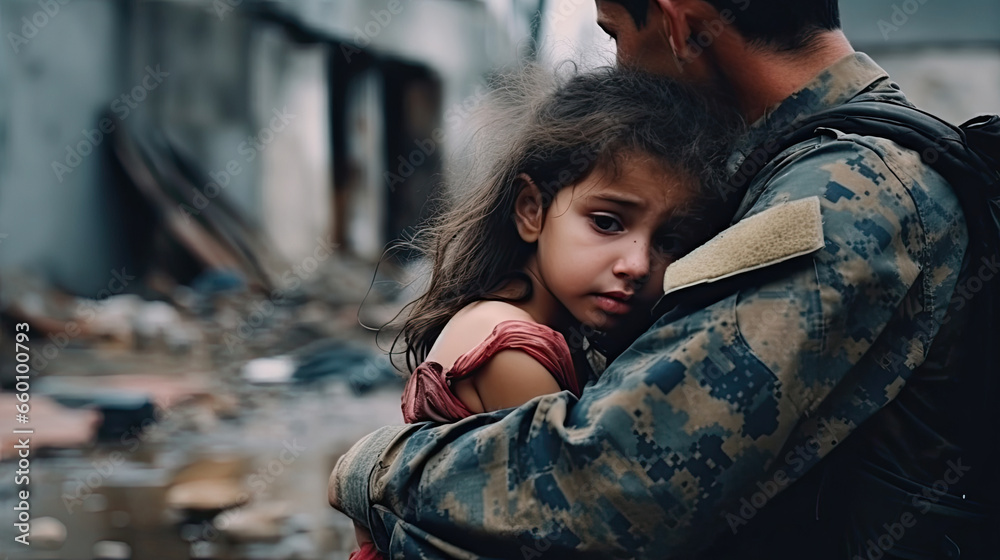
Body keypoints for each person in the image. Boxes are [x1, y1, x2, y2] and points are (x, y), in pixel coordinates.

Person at [331, 1, 994, 558]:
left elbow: (618, 484)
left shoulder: (846, 190)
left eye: (616, 33)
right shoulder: (822, 167)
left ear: (681, 25)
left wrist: (380, 466)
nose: (620, 66)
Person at [347, 65, 742, 558]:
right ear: (531, 210)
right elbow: (573, 522)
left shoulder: (542, 325)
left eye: (669, 242)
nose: (637, 264)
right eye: (606, 222)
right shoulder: (510, 348)